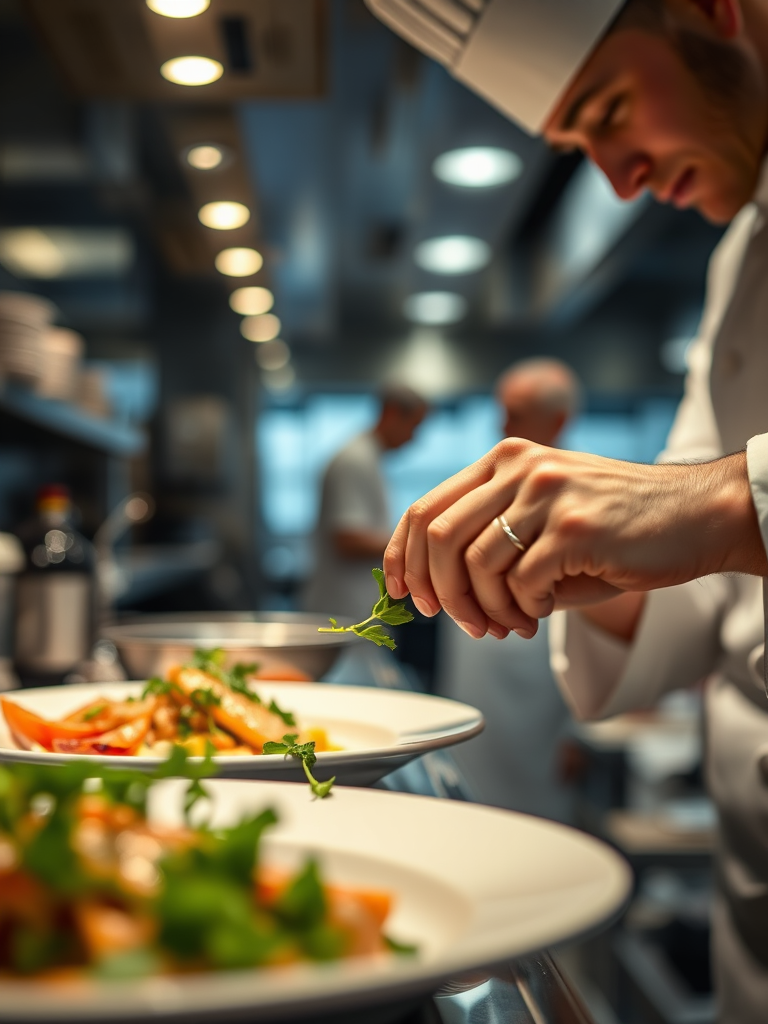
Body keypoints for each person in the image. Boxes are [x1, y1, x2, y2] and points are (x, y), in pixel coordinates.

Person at [367, 0, 768, 1019]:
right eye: (578, 147)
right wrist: (584, 567)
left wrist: (720, 501)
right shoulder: (739, 259)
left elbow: (706, 507)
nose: (619, 180)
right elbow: (697, 574)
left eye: (611, 109)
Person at [438, 359, 581, 821]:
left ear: (558, 421)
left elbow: (601, 620)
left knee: (537, 813)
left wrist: (577, 732)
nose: (502, 426)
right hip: (477, 676)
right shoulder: (486, 482)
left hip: (543, 682)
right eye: (502, 412)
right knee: (469, 804)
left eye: (515, 414)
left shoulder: (585, 499)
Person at [302, 385, 427, 621]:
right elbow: (348, 539)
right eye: (414, 426)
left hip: (355, 606)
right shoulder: (355, 460)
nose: (413, 438)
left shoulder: (369, 458)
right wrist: (414, 543)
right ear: (391, 413)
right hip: (343, 609)